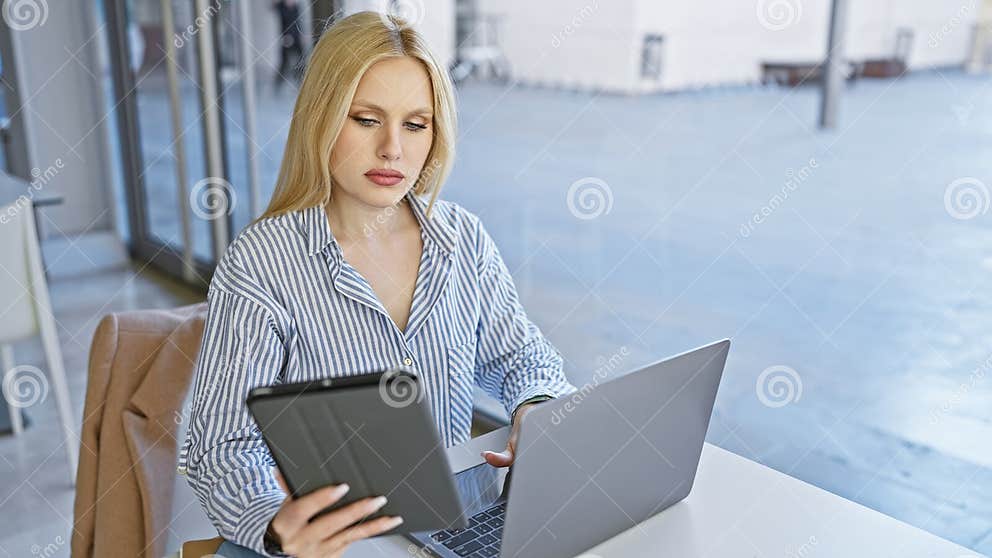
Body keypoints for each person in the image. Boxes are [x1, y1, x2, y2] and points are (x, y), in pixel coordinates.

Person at [179, 11, 577, 558]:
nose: (393, 148)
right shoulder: (262, 263)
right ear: (323, 119)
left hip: (449, 528)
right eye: (367, 119)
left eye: (416, 124)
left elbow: (520, 356)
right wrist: (275, 523)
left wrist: (536, 404)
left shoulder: (461, 238)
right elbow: (222, 445)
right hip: (333, 543)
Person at [272, 0, 305, 91]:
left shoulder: (296, 7)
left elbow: (298, 22)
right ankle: (277, 84)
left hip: (296, 37)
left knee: (301, 60)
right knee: (284, 62)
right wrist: (286, 37)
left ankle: (301, 82)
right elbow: (284, 24)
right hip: (287, 38)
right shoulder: (281, 7)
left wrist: (302, 35)